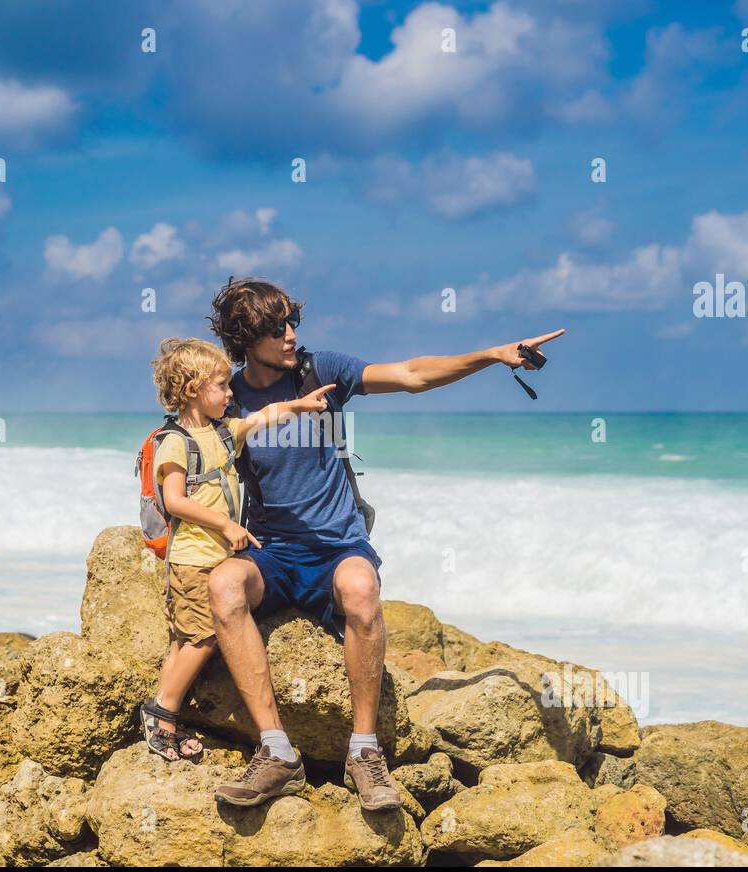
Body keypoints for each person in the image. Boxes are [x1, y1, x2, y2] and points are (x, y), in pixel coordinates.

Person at [204, 277, 565, 809]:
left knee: (361, 588)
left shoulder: (319, 369)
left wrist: (492, 354)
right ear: (244, 336)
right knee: (224, 585)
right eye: (275, 326)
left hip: (336, 547)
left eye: (292, 321)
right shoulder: (230, 398)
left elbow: (412, 374)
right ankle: (278, 753)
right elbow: (189, 456)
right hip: (272, 552)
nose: (290, 333)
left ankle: (365, 753)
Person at [140, 336, 336, 762]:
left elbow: (266, 416)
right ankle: (163, 714)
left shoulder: (224, 433)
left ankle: (162, 711)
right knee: (203, 638)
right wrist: (227, 524)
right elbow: (175, 500)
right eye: (223, 386)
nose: (232, 394)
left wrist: (299, 407)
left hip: (216, 561)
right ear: (192, 389)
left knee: (186, 638)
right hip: (193, 560)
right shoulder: (175, 442)